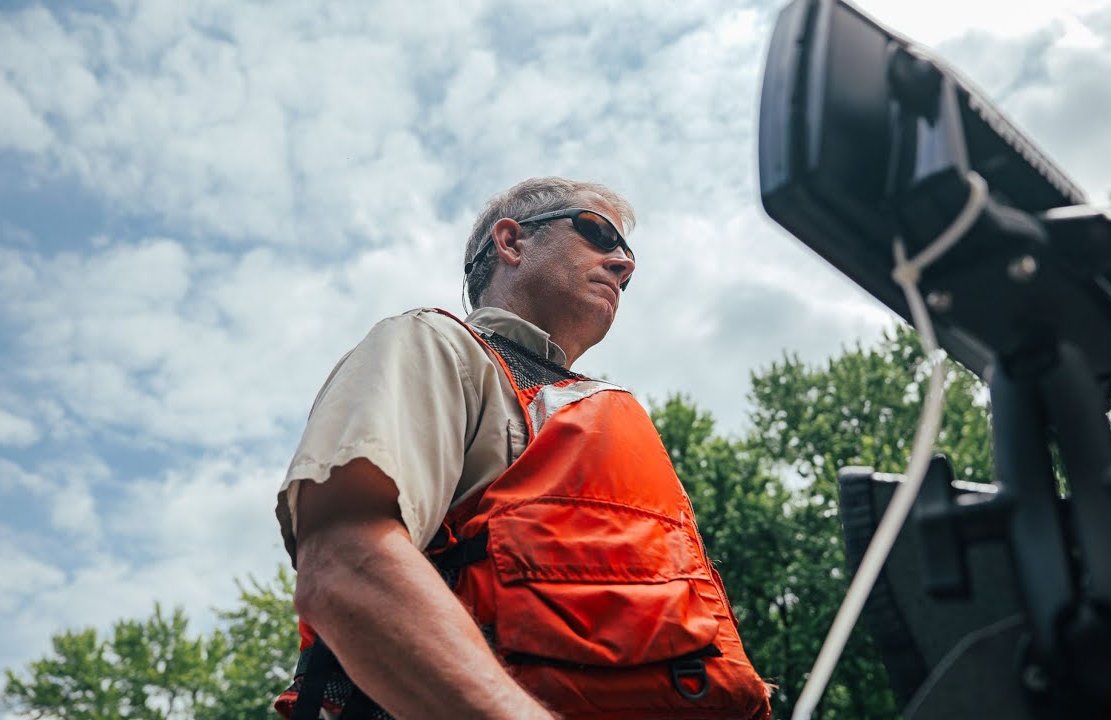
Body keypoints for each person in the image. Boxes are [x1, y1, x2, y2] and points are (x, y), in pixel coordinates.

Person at [273, 177, 771, 720]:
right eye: (598, 233)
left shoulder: (591, 413)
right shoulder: (436, 347)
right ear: (511, 243)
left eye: (629, 260)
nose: (623, 265)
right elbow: (343, 563)